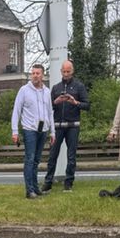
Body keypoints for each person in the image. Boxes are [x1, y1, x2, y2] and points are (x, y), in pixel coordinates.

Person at [43, 60, 90, 193]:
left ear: (72, 71)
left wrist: (75, 102)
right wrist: (55, 102)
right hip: (57, 126)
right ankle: (48, 182)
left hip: (73, 126)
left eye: (68, 71)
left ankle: (68, 183)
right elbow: (48, 107)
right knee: (52, 155)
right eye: (64, 71)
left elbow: (87, 105)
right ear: (61, 72)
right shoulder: (56, 88)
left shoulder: (79, 86)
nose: (66, 74)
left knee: (71, 156)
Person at [10, 64, 54, 199]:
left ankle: (35, 188)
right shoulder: (24, 90)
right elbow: (16, 110)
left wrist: (53, 132)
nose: (35, 75)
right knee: (29, 159)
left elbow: (50, 112)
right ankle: (29, 190)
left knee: (36, 160)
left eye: (38, 73)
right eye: (33, 73)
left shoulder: (47, 91)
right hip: (29, 129)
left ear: (43, 75)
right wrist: (15, 131)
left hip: (43, 130)